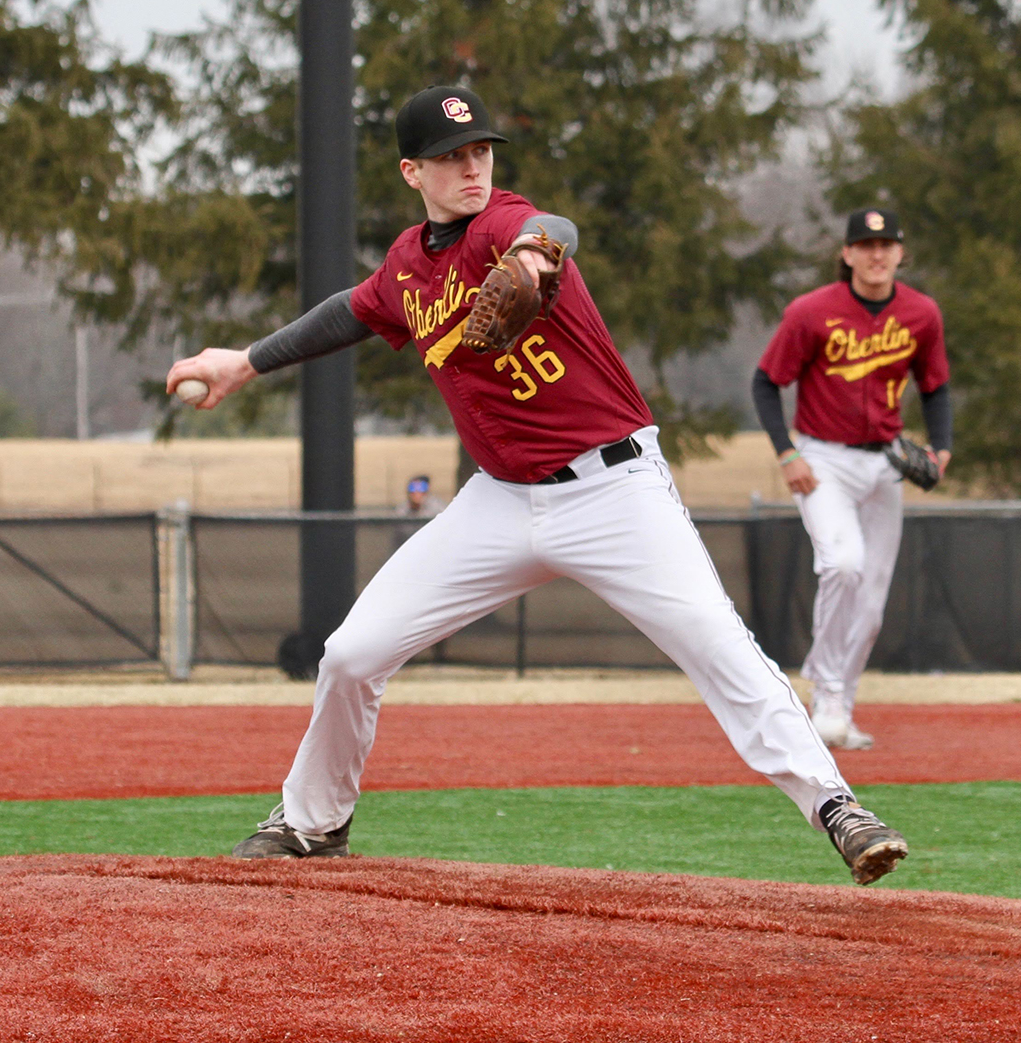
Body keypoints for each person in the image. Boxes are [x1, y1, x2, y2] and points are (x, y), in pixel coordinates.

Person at [166, 85, 908, 884]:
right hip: (500, 499)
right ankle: (313, 823)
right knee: (351, 653)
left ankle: (837, 808)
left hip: (613, 487)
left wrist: (529, 257)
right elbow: (350, 309)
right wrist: (243, 362)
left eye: (480, 151)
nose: (471, 167)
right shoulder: (408, 269)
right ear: (412, 171)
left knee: (715, 641)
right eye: (451, 158)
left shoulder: (504, 223)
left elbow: (551, 229)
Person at [752, 209, 952, 749]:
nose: (876, 253)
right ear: (846, 254)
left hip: (885, 460)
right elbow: (766, 383)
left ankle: (841, 702)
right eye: (865, 244)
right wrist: (787, 453)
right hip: (824, 459)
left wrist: (942, 446)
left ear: (900, 253)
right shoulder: (812, 311)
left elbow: (934, 386)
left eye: (886, 243)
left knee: (873, 598)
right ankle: (826, 687)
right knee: (842, 564)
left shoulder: (920, 313)